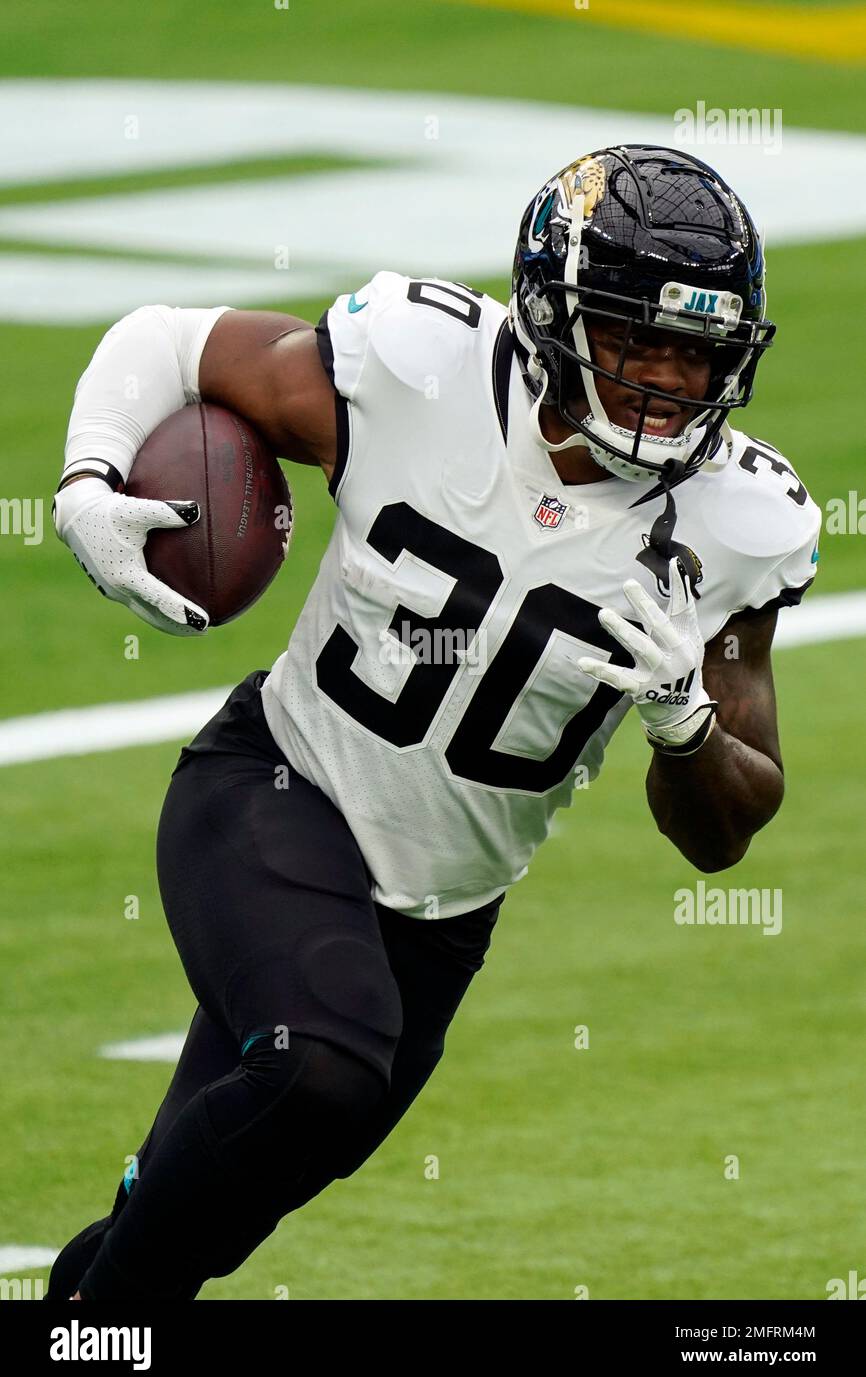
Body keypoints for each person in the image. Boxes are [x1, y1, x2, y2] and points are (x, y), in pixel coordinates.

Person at [46, 145, 820, 1299]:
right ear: (553, 319)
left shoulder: (741, 524)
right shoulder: (417, 367)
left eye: (697, 350)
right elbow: (170, 340)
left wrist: (682, 720)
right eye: (633, 338)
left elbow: (721, 831)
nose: (667, 379)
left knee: (219, 1196)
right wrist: (87, 478)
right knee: (320, 1075)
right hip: (275, 790)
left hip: (441, 918)